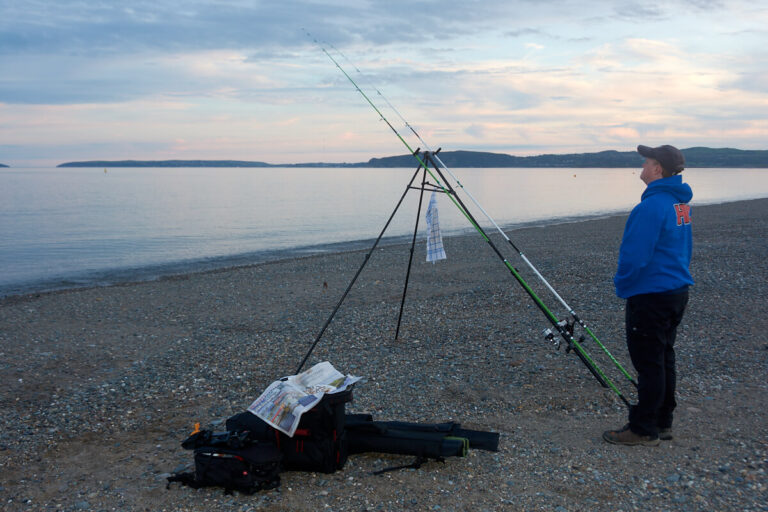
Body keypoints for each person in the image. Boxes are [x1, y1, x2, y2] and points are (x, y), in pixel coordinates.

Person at [603, 144, 694, 446]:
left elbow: (634, 257)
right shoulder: (677, 204)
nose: (641, 166)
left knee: (650, 363)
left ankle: (643, 429)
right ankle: (662, 421)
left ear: (658, 169)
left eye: (646, 162)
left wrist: (623, 285)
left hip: (653, 295)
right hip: (675, 291)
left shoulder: (651, 207)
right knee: (663, 357)